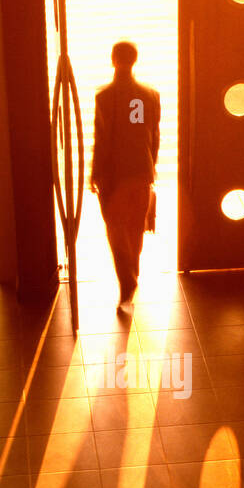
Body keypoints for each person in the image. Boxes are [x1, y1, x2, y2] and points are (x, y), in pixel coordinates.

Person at [90, 40, 160, 312]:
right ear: (135, 60)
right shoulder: (150, 95)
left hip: (115, 176)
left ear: (112, 59)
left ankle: (127, 280)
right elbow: (154, 135)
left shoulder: (104, 97)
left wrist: (96, 172)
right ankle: (134, 271)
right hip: (142, 171)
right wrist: (150, 166)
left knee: (115, 228)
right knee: (134, 225)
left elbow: (102, 139)